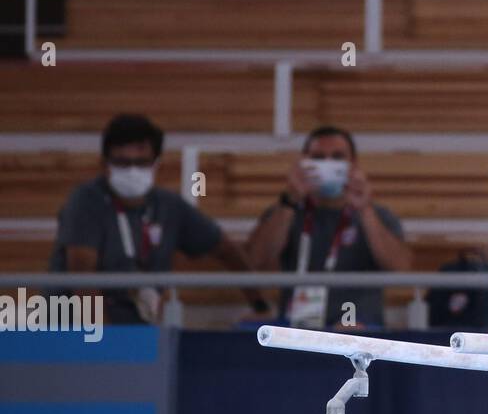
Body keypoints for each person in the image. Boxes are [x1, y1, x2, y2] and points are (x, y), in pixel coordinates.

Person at [49, 114, 263, 324]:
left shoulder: (168, 206)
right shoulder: (86, 201)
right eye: (122, 163)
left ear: (156, 164)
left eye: (141, 163)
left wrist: (261, 306)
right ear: (105, 164)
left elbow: (227, 250)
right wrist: (107, 346)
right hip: (74, 332)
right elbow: (83, 281)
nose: (132, 171)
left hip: (138, 334)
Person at [245, 126, 412, 329]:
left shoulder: (378, 215)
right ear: (304, 163)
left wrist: (365, 210)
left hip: (358, 329)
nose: (328, 164)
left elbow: (400, 269)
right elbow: (255, 261)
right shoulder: (285, 211)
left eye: (337, 157)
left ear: (353, 164)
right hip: (297, 329)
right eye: (318, 158)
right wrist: (290, 200)